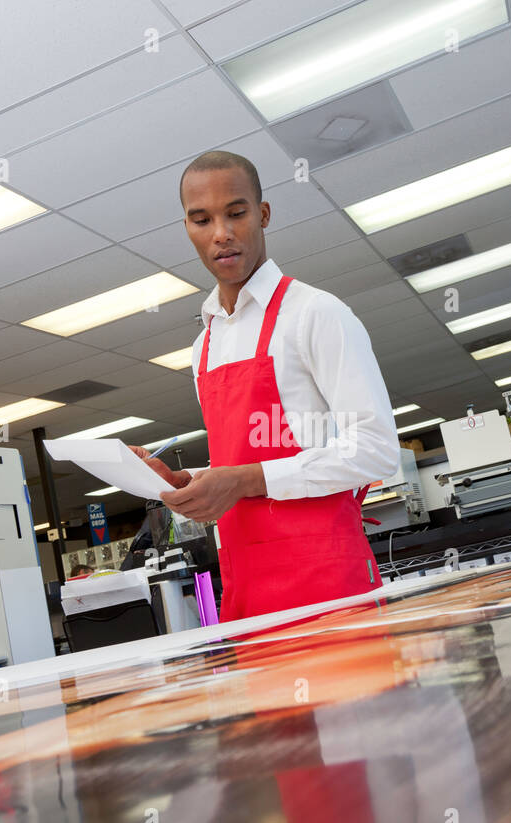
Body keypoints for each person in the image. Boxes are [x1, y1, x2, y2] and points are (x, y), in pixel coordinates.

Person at [129, 150, 399, 621]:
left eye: (236, 213)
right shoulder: (204, 345)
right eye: (202, 219)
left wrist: (246, 479)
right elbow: (237, 464)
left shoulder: (316, 314)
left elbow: (376, 450)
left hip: (330, 588)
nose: (222, 233)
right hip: (247, 594)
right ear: (188, 229)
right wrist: (184, 482)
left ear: (263, 214)